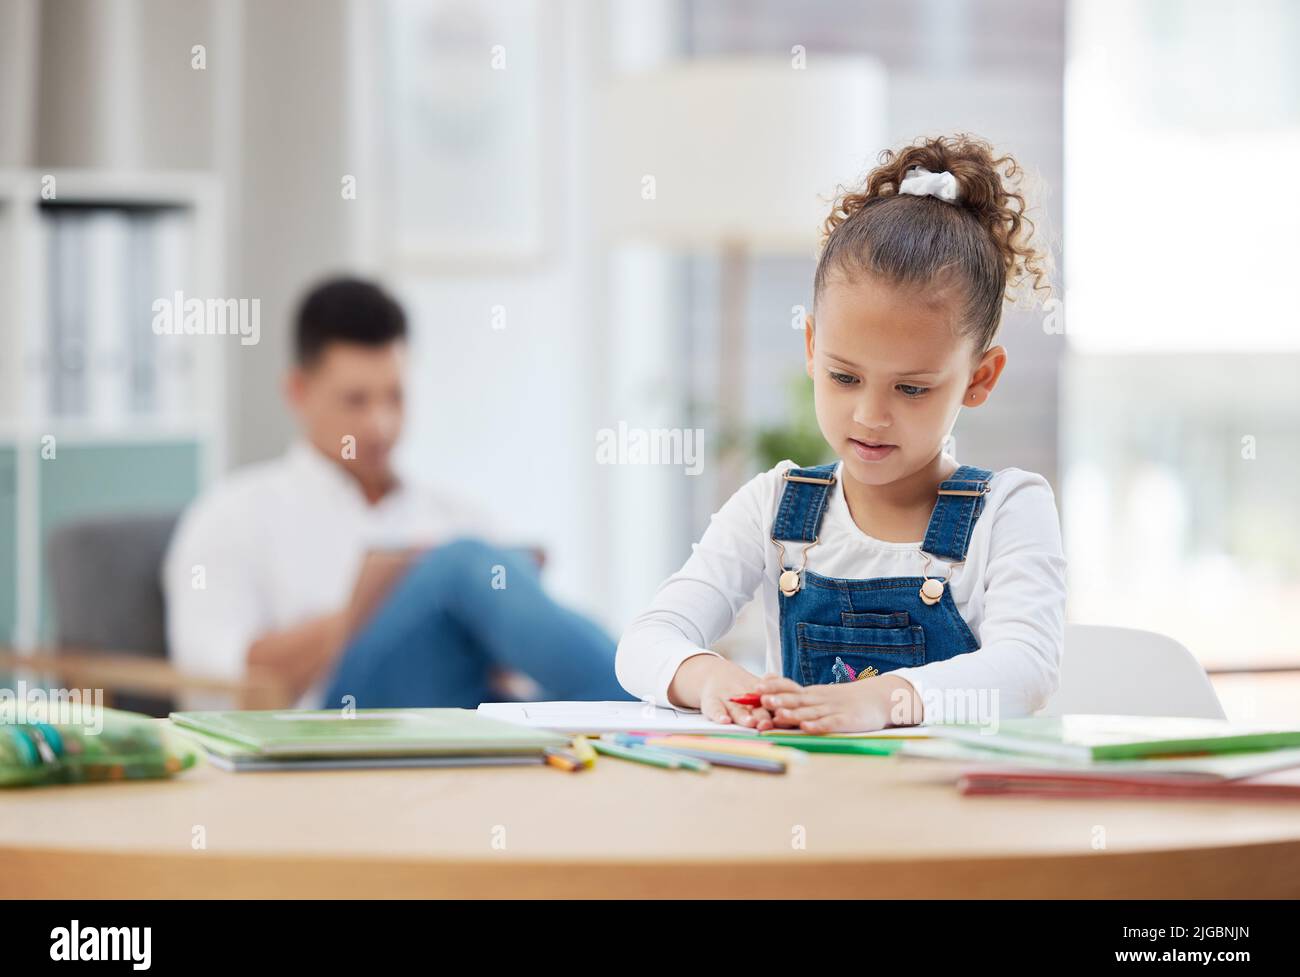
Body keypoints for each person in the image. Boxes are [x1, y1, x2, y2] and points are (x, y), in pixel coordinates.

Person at [615, 134, 1068, 734]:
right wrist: (710, 677)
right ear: (811, 348)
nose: (870, 416)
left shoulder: (1009, 510)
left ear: (978, 379)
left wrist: (884, 700)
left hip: (947, 814)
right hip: (808, 812)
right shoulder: (776, 505)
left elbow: (1025, 670)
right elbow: (645, 643)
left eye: (912, 388)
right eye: (844, 376)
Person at [163, 276, 629, 710]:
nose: (380, 425)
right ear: (298, 393)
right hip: (332, 726)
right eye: (356, 400)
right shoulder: (232, 515)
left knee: (544, 701)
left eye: (395, 397)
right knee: (459, 563)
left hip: (461, 716)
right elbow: (218, 690)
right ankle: (651, 702)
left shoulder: (453, 510)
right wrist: (355, 616)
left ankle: (639, 716)